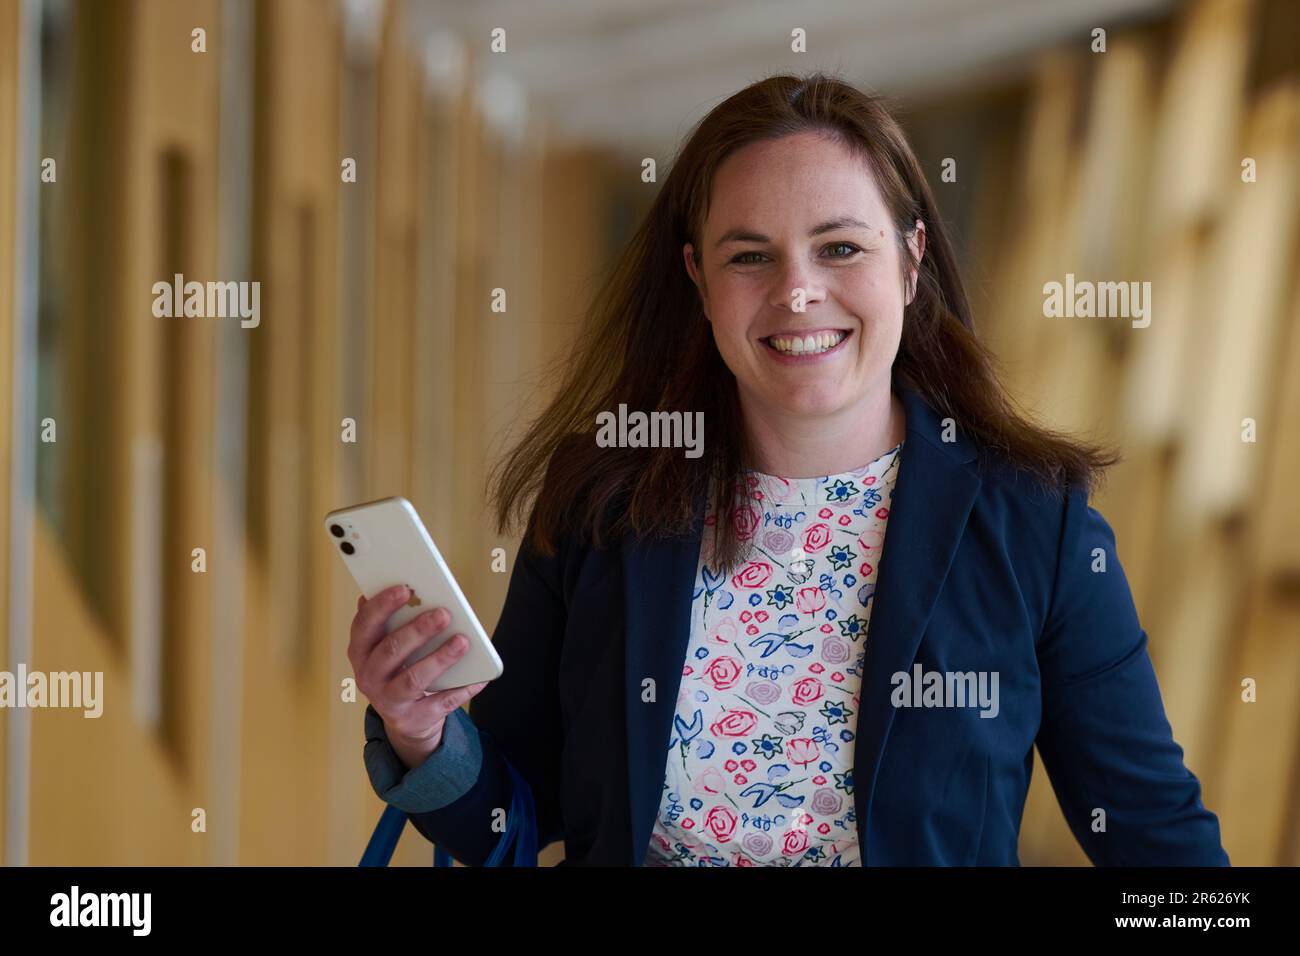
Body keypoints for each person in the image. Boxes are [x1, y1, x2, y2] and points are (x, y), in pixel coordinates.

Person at [347, 72, 1229, 866]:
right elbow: (512, 818)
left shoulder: (1038, 523)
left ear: (912, 259)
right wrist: (423, 734)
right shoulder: (605, 500)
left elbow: (1157, 842)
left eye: (840, 247)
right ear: (698, 278)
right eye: (750, 256)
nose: (797, 291)